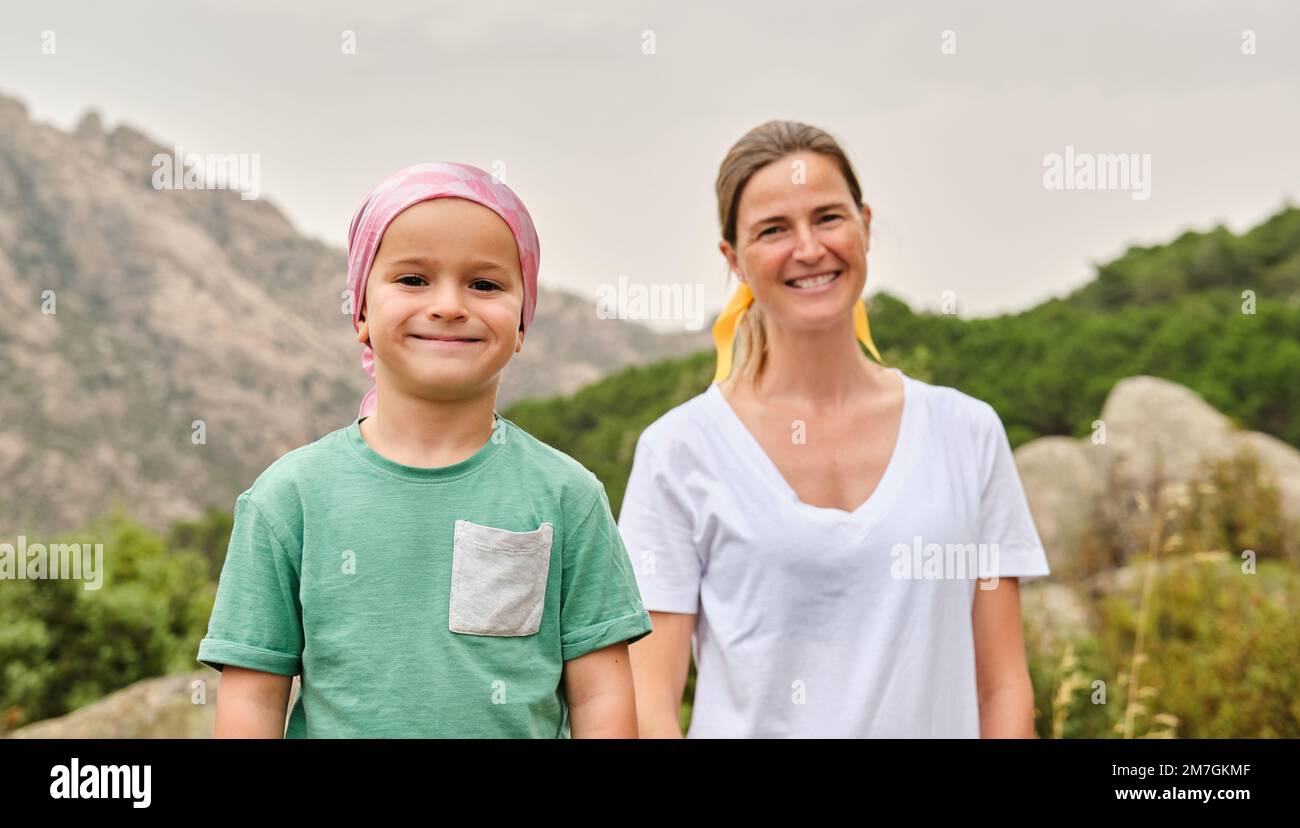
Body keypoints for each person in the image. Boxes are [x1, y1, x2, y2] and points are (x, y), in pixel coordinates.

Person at [617, 121, 1051, 738]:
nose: (809, 248)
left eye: (828, 218)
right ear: (733, 260)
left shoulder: (968, 433)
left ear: (865, 224)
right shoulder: (679, 450)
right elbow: (647, 703)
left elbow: (1002, 686)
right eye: (773, 230)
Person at [198, 161, 652, 737]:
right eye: (413, 279)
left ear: (522, 323)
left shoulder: (567, 496)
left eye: (484, 284)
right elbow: (252, 702)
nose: (448, 305)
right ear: (360, 311)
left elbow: (601, 695)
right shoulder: (289, 498)